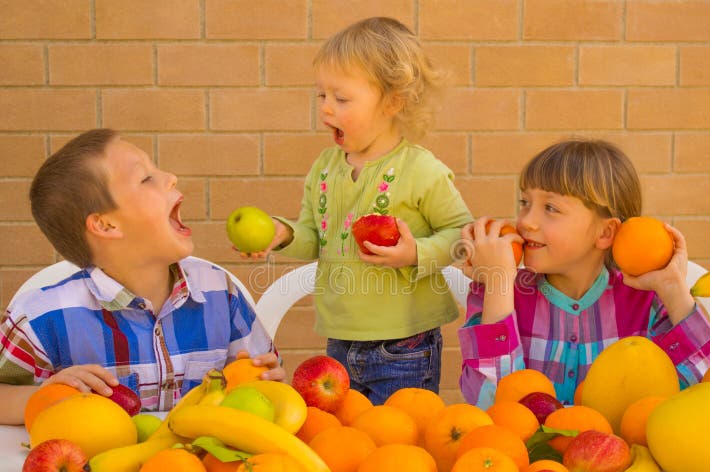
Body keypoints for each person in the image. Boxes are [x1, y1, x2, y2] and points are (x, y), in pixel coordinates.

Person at [246, 17, 473, 404]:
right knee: (347, 441)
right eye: (322, 96)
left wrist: (413, 253)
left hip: (405, 346)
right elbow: (314, 239)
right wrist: (282, 234)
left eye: (341, 98)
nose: (326, 110)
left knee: (397, 444)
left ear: (392, 101)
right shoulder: (324, 168)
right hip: (340, 341)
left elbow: (461, 234)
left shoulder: (419, 169)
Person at [0, 129, 284, 425]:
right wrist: (48, 394)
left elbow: (265, 382)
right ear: (106, 224)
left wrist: (267, 378)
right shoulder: (40, 318)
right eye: (146, 178)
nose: (171, 177)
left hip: (197, 466)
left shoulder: (220, 293)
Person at [458, 139, 710, 409]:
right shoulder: (498, 292)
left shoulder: (647, 302)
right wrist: (498, 283)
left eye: (550, 208)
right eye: (525, 202)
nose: (526, 221)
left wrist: (673, 290)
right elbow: (487, 403)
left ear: (605, 233)